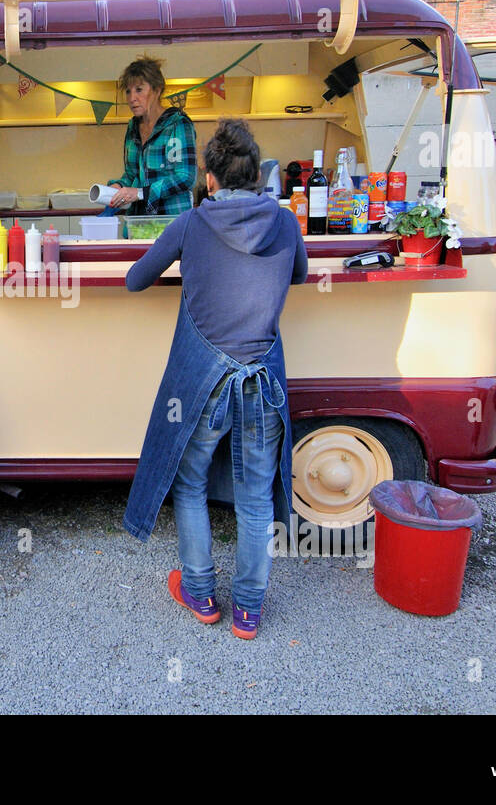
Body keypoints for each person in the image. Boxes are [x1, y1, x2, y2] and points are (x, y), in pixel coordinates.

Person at [122, 118, 308, 640]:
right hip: (261, 383)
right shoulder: (286, 222)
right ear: (257, 176)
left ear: (209, 179)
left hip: (203, 384)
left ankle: (200, 594)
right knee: (255, 497)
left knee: (190, 484)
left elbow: (136, 280)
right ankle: (248, 611)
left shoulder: (191, 224)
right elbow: (300, 274)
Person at [106, 55, 198, 216]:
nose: (132, 98)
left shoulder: (177, 124)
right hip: (139, 223)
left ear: (157, 89)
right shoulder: (133, 127)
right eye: (128, 91)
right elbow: (131, 174)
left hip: (172, 221)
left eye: (139, 90)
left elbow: (186, 177)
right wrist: (118, 187)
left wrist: (141, 193)